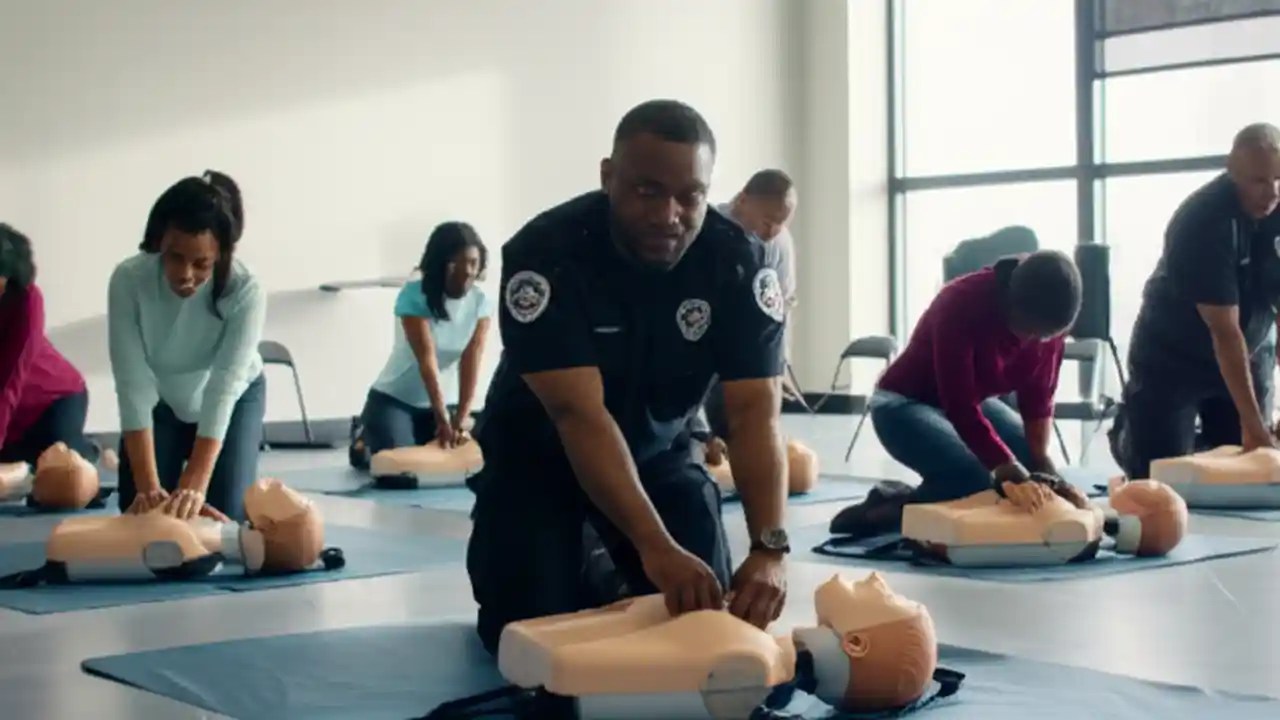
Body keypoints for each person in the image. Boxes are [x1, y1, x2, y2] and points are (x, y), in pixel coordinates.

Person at [465, 99, 791, 655]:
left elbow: (753, 414)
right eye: (647, 191)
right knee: (528, 638)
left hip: (658, 457)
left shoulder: (738, 264)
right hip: (541, 460)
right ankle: (593, 565)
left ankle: (613, 566)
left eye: (690, 196)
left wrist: (769, 549)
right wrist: (654, 546)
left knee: (703, 623)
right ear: (608, 177)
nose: (669, 214)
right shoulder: (545, 255)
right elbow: (579, 417)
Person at [830, 248, 1082, 538]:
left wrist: (1046, 471)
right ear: (1010, 304)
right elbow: (959, 405)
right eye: (1029, 331)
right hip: (903, 403)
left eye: (1044, 335)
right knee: (979, 475)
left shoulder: (1052, 321)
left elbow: (1038, 401)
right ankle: (891, 506)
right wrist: (1007, 470)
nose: (1034, 341)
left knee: (1029, 466)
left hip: (974, 401)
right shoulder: (960, 303)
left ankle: (964, 503)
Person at [1109, 123, 1280, 480]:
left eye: (1279, 178)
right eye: (1259, 181)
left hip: (1251, 347)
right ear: (1231, 170)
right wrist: (1254, 426)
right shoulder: (1200, 221)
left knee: (1252, 471)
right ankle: (1128, 431)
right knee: (1158, 475)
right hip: (1175, 354)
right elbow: (1224, 332)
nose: (1272, 192)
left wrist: (1259, 429)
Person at [107, 170, 266, 522]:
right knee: (141, 510)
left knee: (223, 514)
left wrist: (195, 481)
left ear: (221, 255)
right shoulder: (128, 280)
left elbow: (223, 387)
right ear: (159, 242)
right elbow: (132, 384)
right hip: (162, 403)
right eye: (175, 257)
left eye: (202, 263)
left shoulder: (245, 289)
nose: (185, 274)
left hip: (233, 399)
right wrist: (148, 487)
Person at [350, 222, 492, 469]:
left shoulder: (480, 304)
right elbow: (427, 361)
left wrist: (459, 418)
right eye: (458, 263)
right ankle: (364, 439)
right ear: (441, 264)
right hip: (394, 400)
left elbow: (471, 363)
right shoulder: (414, 296)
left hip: (440, 404)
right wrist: (442, 418)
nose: (467, 271)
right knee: (401, 467)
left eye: (473, 263)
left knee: (469, 458)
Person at [694, 170, 801, 448]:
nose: (772, 232)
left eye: (780, 224)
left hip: (747, 345)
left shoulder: (780, 243)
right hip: (700, 339)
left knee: (750, 426)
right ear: (742, 200)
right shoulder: (704, 229)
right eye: (767, 222)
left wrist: (779, 363)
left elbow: (781, 306)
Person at [0, 224, 97, 467]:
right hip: (10, 421)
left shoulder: (28, 300)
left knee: (60, 477)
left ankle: (86, 451)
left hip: (53, 401)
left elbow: (8, 383)